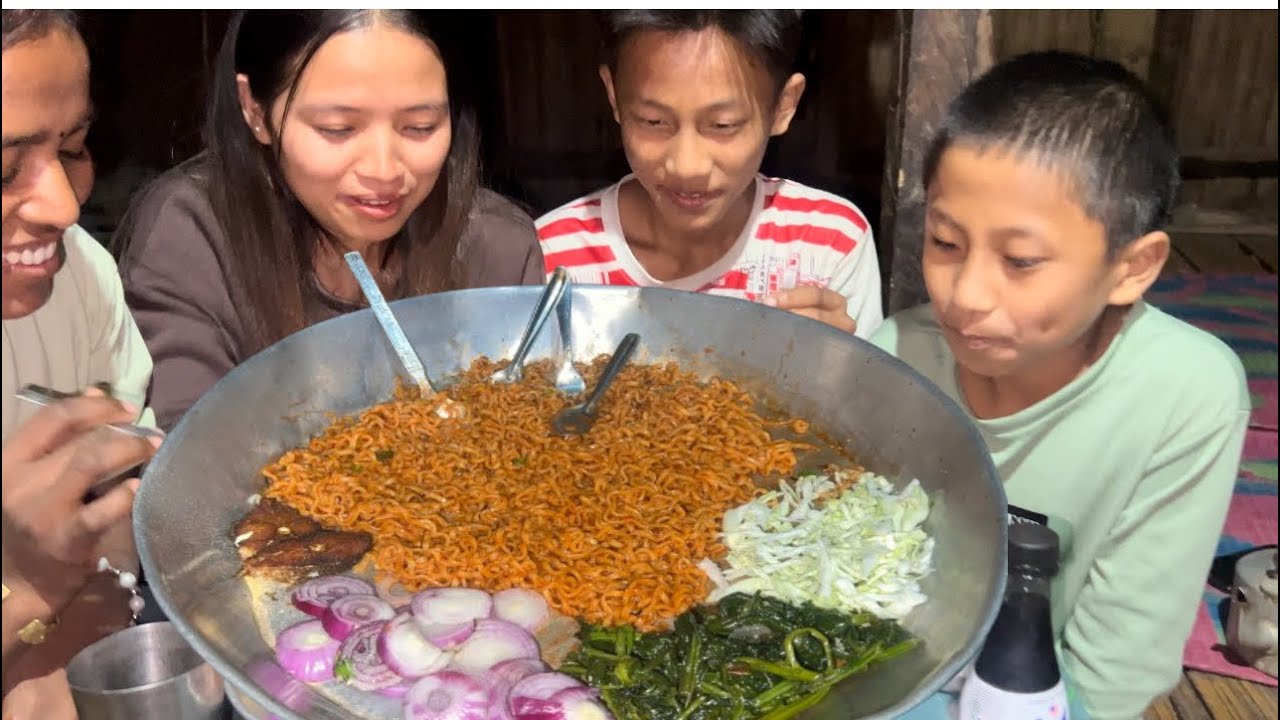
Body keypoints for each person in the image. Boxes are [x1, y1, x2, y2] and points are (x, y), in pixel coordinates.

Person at [873, 51, 1249, 719]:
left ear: (1132, 268)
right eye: (945, 243)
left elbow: (1117, 672)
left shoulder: (1185, 395)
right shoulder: (897, 354)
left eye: (1020, 261)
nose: (966, 295)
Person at [115, 10, 545, 431]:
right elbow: (188, 450)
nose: (384, 170)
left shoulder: (495, 244)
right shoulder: (193, 232)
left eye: (420, 126)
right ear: (254, 110)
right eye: (337, 129)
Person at [535, 10, 883, 337]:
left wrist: (836, 361)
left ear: (783, 106)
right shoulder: (550, 257)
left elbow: (865, 382)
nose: (688, 167)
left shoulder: (828, 247)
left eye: (722, 125)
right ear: (614, 96)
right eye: (653, 121)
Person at [1, 9, 160, 715]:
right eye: (5, 169)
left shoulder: (80, 276)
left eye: (73, 148)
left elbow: (112, 537)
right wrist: (23, 589)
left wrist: (49, 649)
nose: (64, 208)